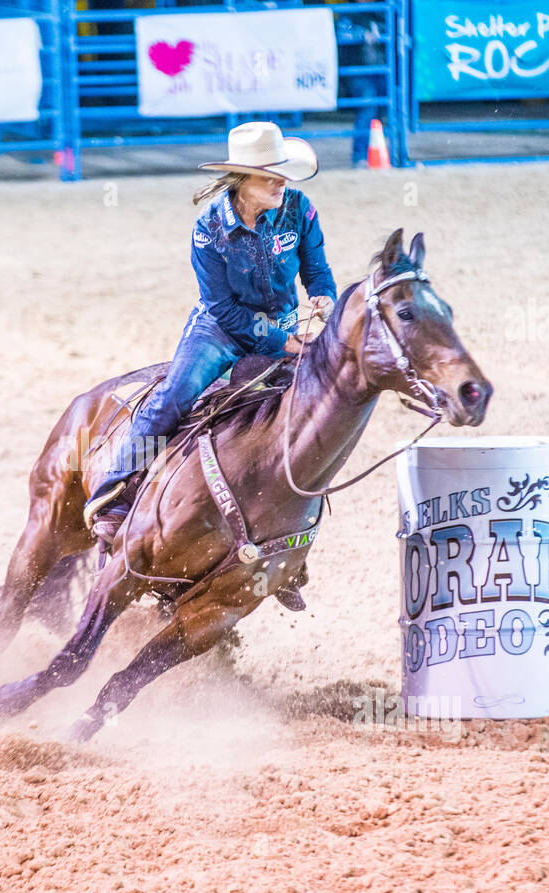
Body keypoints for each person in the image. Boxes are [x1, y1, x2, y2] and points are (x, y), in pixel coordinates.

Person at [82, 121, 338, 551]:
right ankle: (115, 491)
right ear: (242, 180)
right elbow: (223, 308)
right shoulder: (209, 228)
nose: (280, 181)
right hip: (220, 330)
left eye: (282, 172)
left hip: (286, 326)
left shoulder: (301, 209)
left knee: (313, 412)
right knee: (176, 394)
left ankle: (288, 531)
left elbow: (317, 271)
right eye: (268, 174)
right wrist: (281, 340)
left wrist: (323, 300)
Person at [337, 0, 387, 168]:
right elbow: (343, 33)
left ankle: (377, 153)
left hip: (378, 68)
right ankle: (360, 155)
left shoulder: (381, 11)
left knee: (377, 110)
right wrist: (362, 35)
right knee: (368, 106)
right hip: (358, 70)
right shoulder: (348, 13)